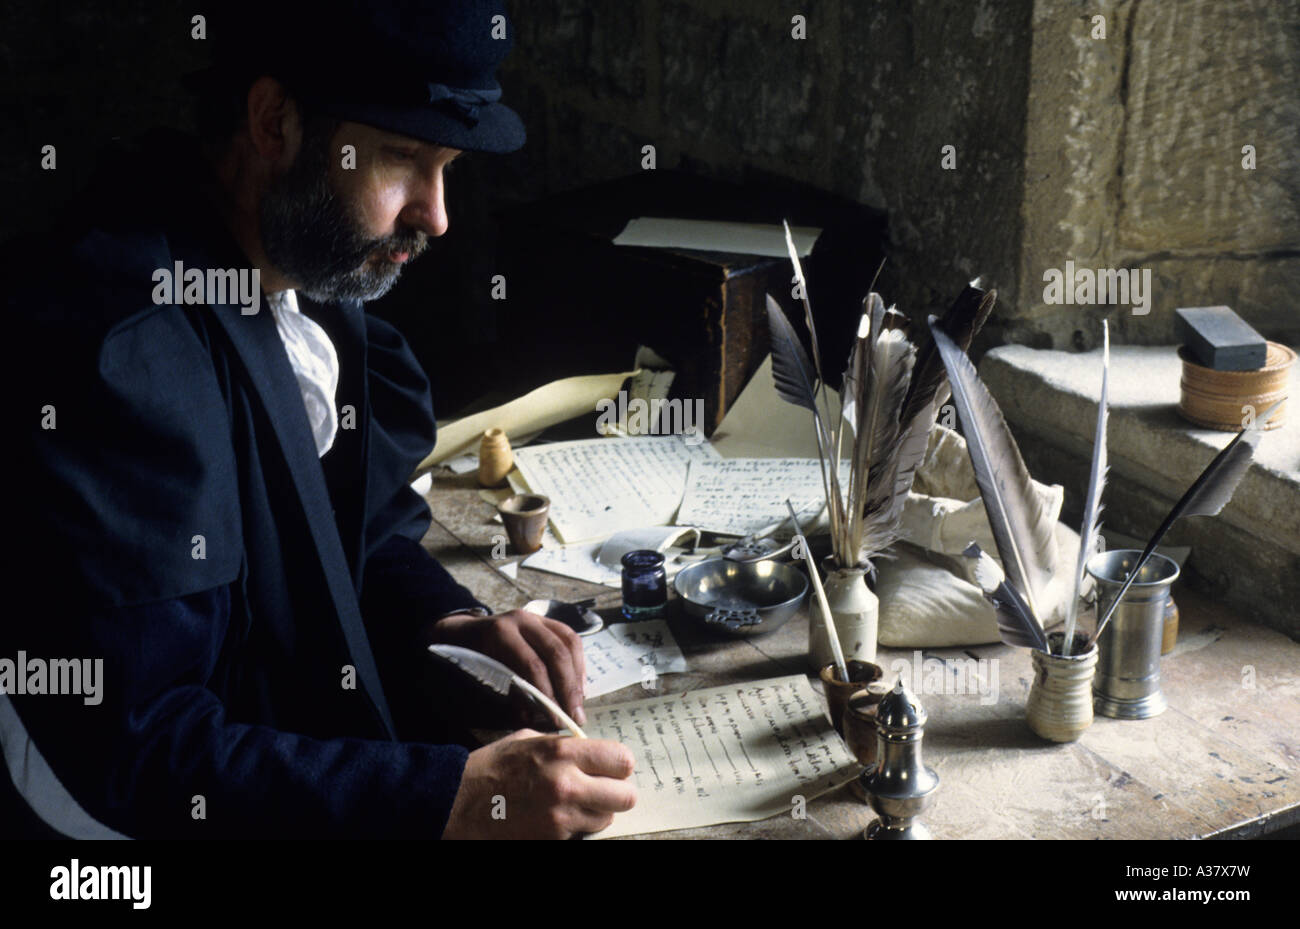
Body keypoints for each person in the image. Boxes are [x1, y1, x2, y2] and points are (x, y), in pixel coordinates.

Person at [0, 0, 636, 839]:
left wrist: (449, 630)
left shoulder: (300, 250)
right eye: (404, 157)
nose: (436, 215)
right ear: (273, 121)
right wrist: (446, 795)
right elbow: (144, 748)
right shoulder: (128, 356)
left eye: (444, 165)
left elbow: (351, 533)